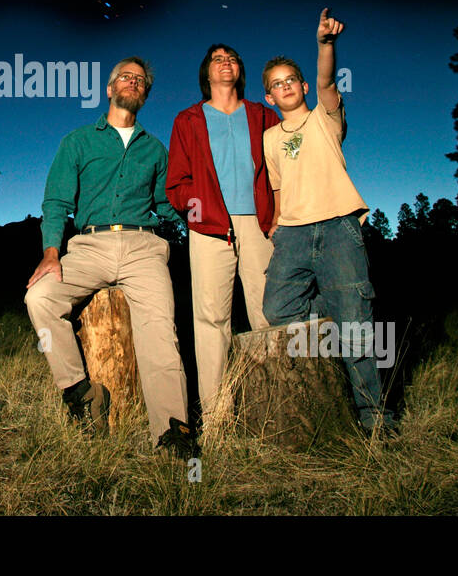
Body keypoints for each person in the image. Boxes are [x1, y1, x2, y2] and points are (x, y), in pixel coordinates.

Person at [25, 57, 197, 457]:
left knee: (160, 331)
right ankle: (81, 393)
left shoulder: (155, 149)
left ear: (145, 93)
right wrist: (51, 252)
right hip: (89, 247)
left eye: (140, 80)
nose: (132, 82)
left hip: (143, 248)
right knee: (40, 297)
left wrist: (203, 220)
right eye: (125, 76)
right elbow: (55, 202)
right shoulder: (78, 141)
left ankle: (172, 431)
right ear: (109, 88)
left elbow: (166, 204)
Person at [261, 9, 396, 434]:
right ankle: (336, 317)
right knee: (277, 308)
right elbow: (279, 188)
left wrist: (325, 45)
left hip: (338, 226)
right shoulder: (269, 138)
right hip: (295, 235)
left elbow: (325, 81)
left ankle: (375, 419)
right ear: (269, 97)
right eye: (275, 85)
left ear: (301, 87)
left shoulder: (325, 116)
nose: (285, 88)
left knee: (355, 326)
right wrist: (277, 223)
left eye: (290, 81)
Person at [166, 44, 280, 422]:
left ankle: (275, 411)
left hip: (259, 223)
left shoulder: (263, 115)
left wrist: (278, 213)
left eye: (232, 58)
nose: (225, 63)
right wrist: (201, 211)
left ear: (239, 71)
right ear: (207, 73)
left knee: (267, 314)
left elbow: (282, 169)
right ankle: (217, 417)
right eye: (217, 59)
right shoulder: (188, 120)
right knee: (211, 320)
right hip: (209, 227)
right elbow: (176, 182)